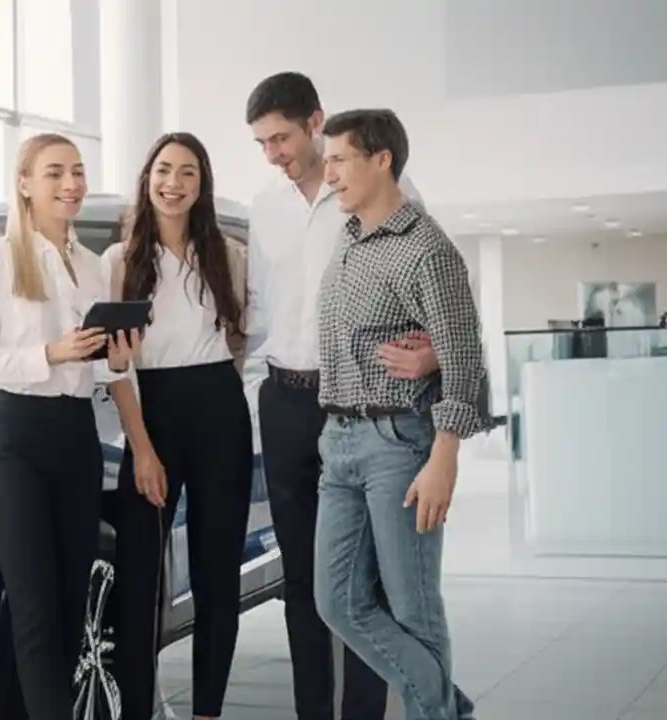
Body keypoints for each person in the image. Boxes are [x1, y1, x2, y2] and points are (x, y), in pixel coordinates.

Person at [244, 71, 439, 720]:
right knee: (301, 578)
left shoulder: (377, 190)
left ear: (316, 122)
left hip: (358, 403)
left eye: (281, 137)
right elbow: (258, 313)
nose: (273, 153)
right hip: (283, 401)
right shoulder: (264, 210)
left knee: (363, 581)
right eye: (262, 143)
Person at [0, 132, 139, 719]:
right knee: (34, 607)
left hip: (75, 438)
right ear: (25, 184)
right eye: (56, 172)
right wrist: (51, 353)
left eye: (78, 172)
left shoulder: (91, 265)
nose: (71, 184)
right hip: (15, 440)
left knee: (71, 603)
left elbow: (108, 368)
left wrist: (116, 356)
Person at [314, 108, 481, 720]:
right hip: (340, 441)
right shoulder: (349, 236)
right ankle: (446, 708)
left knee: (413, 608)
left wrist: (444, 456)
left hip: (400, 443)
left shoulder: (427, 248)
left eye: (338, 159)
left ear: (381, 159)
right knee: (336, 600)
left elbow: (464, 358)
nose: (327, 171)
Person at [102, 132, 252, 720]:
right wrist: (141, 448)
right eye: (164, 170)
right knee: (139, 579)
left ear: (202, 185)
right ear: (147, 179)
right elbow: (113, 367)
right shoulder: (120, 262)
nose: (174, 183)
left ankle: (207, 711)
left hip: (220, 410)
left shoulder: (227, 256)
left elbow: (239, 345)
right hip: (152, 412)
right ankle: (137, 709)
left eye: (188, 172)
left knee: (218, 578)